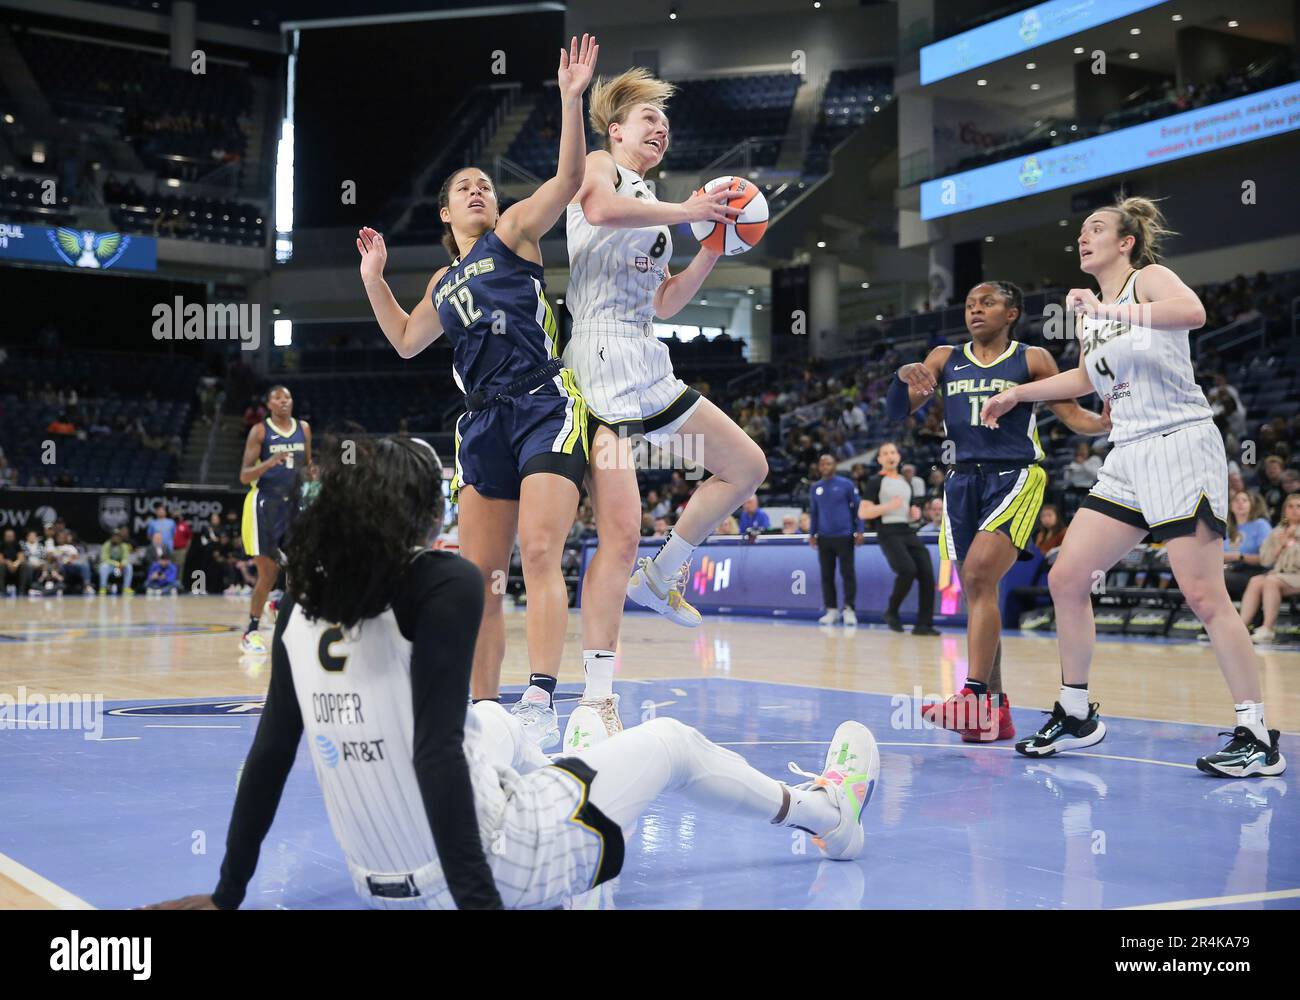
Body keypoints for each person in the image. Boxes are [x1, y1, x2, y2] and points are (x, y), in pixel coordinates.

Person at [144, 436, 879, 911]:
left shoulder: (300, 609)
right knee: (675, 743)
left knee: (493, 718)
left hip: (377, 881)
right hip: (488, 877)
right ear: (420, 521)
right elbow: (432, 753)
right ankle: (828, 818)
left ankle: (581, 811)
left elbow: (269, 758)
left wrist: (224, 897)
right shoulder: (445, 583)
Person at [980, 196, 1284, 776]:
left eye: (1097, 228)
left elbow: (1192, 312)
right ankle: (1075, 713)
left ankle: (1257, 734)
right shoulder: (1094, 317)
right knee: (1067, 577)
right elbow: (1085, 378)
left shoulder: (1148, 279)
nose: (1083, 237)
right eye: (1081, 231)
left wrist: (1108, 311)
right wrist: (1019, 393)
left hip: (1180, 443)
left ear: (1126, 243)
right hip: (1129, 455)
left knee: (1202, 595)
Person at [358, 36, 598, 749]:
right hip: (483, 424)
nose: (478, 189)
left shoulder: (516, 231)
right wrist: (374, 279)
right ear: (444, 215)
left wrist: (570, 98)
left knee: (540, 552)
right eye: (464, 186)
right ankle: (486, 711)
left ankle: (541, 695)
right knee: (479, 577)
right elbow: (405, 340)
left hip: (544, 403)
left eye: (483, 184)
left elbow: (568, 177)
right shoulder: (440, 282)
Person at [564, 66, 768, 741]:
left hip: (646, 356)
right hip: (596, 363)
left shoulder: (653, 202)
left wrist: (716, 244)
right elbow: (596, 211)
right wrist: (689, 213)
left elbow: (664, 302)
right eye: (649, 118)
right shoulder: (597, 169)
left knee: (746, 466)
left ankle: (665, 573)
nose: (661, 128)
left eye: (666, 123)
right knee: (618, 534)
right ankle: (596, 698)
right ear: (617, 129)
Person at [889, 280, 1110, 742]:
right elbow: (897, 412)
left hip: (1017, 475)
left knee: (977, 579)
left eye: (987, 303)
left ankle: (972, 694)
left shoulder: (1032, 359)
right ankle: (993, 711)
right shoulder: (944, 357)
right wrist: (903, 376)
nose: (975, 310)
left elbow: (1074, 418)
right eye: (970, 304)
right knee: (979, 594)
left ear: (1012, 313)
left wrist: (1108, 419)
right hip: (962, 481)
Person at [238, 386, 313, 654]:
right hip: (264, 506)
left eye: (288, 398)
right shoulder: (260, 431)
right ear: (269, 404)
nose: (284, 402)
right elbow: (245, 476)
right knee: (268, 573)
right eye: (278, 398)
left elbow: (307, 467)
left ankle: (288, 619)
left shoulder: (303, 428)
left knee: (297, 568)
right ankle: (251, 631)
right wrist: (269, 463)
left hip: (293, 504)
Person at [859, 443, 935, 635]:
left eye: (893, 452)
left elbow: (906, 511)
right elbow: (863, 512)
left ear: (899, 457)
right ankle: (891, 612)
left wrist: (913, 514)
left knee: (926, 572)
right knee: (907, 570)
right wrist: (888, 506)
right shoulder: (876, 481)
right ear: (879, 460)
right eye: (885, 453)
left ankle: (924, 624)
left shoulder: (905, 482)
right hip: (887, 531)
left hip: (907, 530)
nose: (890, 456)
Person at [1237, 493, 1300, 644]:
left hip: (1296, 574)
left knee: (1271, 581)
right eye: (1290, 506)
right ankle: (1240, 627)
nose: (1294, 510)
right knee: (1256, 581)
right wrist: (1281, 544)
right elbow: (1266, 560)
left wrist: (1293, 541)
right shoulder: (1278, 531)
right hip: (1282, 576)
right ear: (1285, 510)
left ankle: (1267, 629)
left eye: (1299, 506)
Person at [808, 454, 862, 625]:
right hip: (824, 538)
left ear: (835, 465)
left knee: (847, 574)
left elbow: (858, 509)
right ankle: (831, 610)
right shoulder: (816, 487)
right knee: (827, 575)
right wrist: (812, 533)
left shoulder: (846, 484)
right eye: (822, 464)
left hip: (844, 536)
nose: (825, 466)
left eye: (828, 463)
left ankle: (849, 609)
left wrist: (859, 530)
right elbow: (814, 512)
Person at [1223, 490, 1272, 598]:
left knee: (1217, 579)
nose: (1240, 503)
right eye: (1236, 500)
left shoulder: (1260, 525)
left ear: (1252, 505)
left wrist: (1238, 557)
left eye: (1245, 500)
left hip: (1252, 571)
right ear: (1231, 506)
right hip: (1226, 568)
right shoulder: (1225, 527)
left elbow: (1266, 558)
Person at [98, 529, 134, 595]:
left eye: (117, 536)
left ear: (120, 537)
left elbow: (125, 558)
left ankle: (126, 588)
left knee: (129, 566)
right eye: (114, 536)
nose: (116, 538)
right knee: (103, 566)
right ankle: (103, 588)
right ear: (111, 537)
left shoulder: (124, 546)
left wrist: (122, 564)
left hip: (121, 567)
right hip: (110, 567)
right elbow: (105, 559)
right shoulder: (106, 545)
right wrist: (116, 563)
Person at [2, 528, 30, 596]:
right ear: (4, 537)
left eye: (11, 536)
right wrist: (7, 562)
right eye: (8, 536)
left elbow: (21, 557)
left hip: (16, 568)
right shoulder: (1, 545)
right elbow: (0, 558)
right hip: (5, 568)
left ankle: (21, 591)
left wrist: (16, 564)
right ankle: (2, 591)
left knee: (25, 565)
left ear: (14, 537)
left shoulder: (17, 545)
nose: (9, 538)